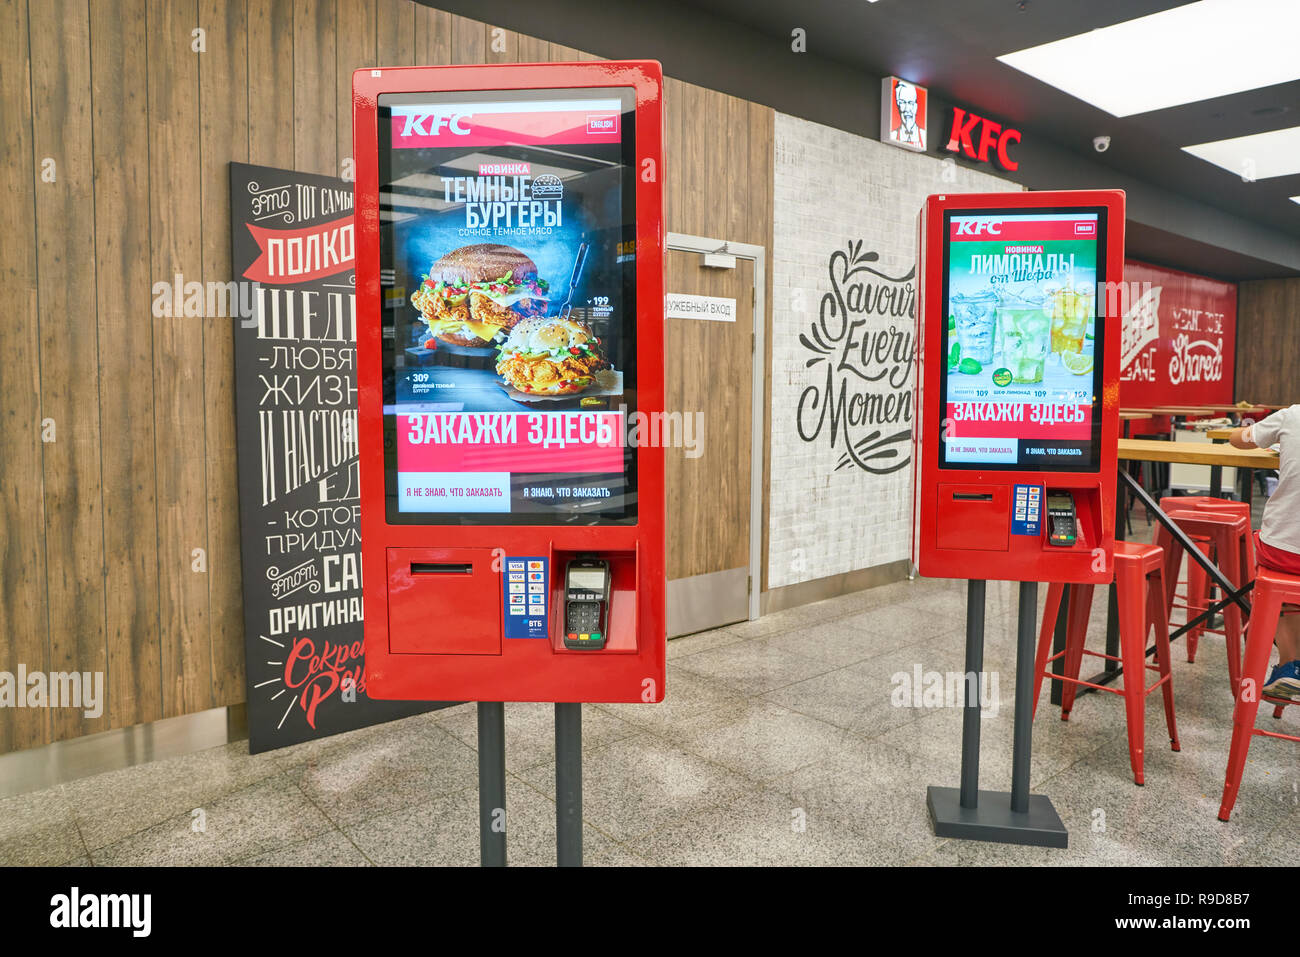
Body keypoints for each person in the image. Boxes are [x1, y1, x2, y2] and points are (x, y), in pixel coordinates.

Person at [1230, 404, 1300, 698]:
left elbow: (1239, 440)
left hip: (1285, 550)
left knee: (1276, 554)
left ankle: (1290, 663)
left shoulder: (1293, 415)